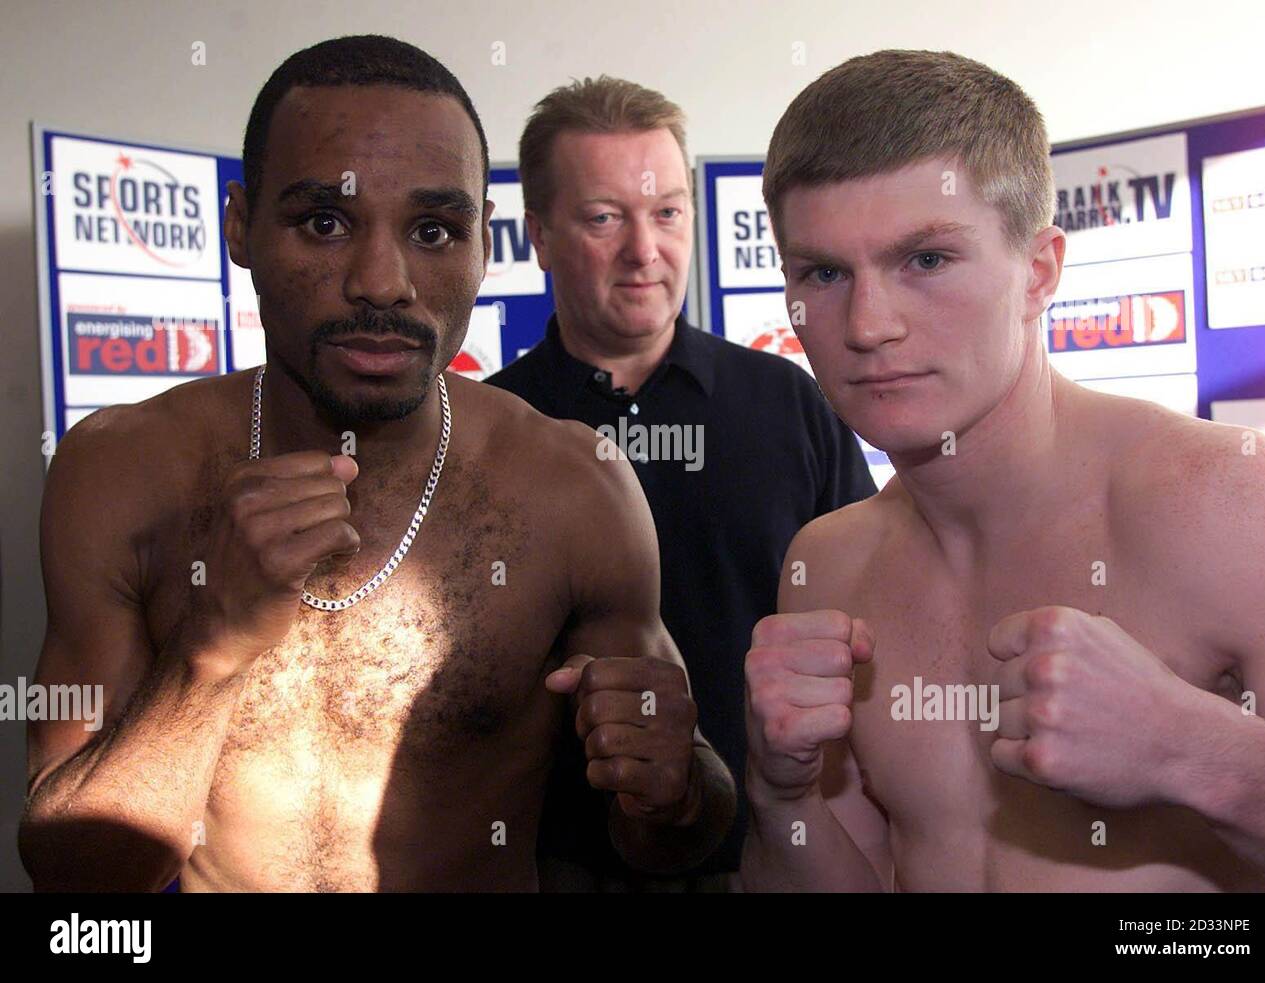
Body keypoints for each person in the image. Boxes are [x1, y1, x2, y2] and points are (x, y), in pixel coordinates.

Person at [20, 34, 734, 892]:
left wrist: (677, 787)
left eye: (434, 228)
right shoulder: (121, 472)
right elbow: (76, 873)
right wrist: (208, 657)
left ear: (482, 244)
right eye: (325, 222)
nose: (383, 281)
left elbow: (669, 836)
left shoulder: (577, 487)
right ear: (240, 228)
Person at [742, 49, 1265, 892]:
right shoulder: (830, 565)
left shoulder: (1231, 501)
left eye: (925, 260)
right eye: (824, 272)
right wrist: (777, 790)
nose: (868, 324)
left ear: (1039, 273)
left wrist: (1197, 753)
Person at [487, 76, 873, 889]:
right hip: (551, 869)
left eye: (665, 211)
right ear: (540, 237)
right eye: (603, 218)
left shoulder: (788, 403)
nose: (644, 249)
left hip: (764, 861)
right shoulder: (483, 429)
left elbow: (872, 623)